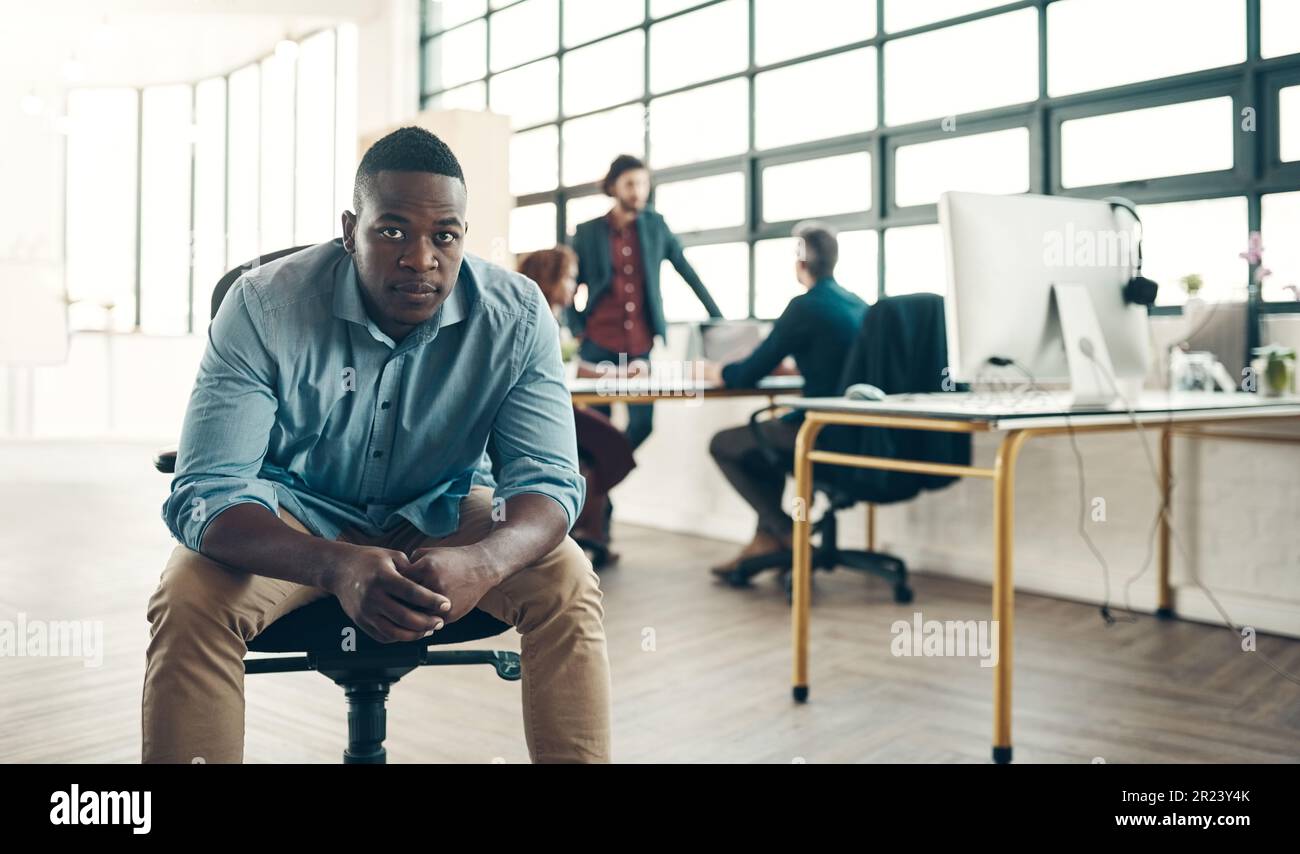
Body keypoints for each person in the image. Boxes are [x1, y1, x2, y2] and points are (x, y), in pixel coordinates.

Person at [144, 127, 611, 763]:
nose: (421, 258)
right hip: (299, 514)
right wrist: (335, 564)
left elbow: (549, 481)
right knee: (190, 595)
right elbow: (208, 492)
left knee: (567, 580)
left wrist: (487, 562)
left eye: (444, 235)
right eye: (392, 230)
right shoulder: (262, 306)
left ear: (463, 237)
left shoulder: (518, 314)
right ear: (349, 229)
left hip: (442, 508)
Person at [700, 222, 868, 577]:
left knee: (725, 444)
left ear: (800, 263)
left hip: (821, 432)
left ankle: (788, 532)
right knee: (761, 446)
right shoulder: (857, 305)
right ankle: (766, 538)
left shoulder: (804, 307)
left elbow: (746, 374)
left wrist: (716, 372)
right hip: (861, 434)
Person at [568, 154, 723, 450]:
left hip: (640, 346)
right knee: (597, 429)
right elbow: (571, 286)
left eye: (642, 183)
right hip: (597, 342)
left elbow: (687, 272)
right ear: (613, 187)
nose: (638, 191)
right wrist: (577, 327)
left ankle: (601, 480)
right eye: (630, 184)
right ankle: (600, 487)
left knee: (643, 424)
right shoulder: (587, 232)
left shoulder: (656, 226)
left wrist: (717, 318)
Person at [518, 247, 636, 568]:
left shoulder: (559, 319)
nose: (574, 286)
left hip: (564, 405)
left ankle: (591, 532)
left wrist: (620, 372)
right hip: (543, 412)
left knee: (601, 452)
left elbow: (572, 366)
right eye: (569, 278)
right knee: (606, 445)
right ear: (549, 278)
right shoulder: (531, 316)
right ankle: (587, 532)